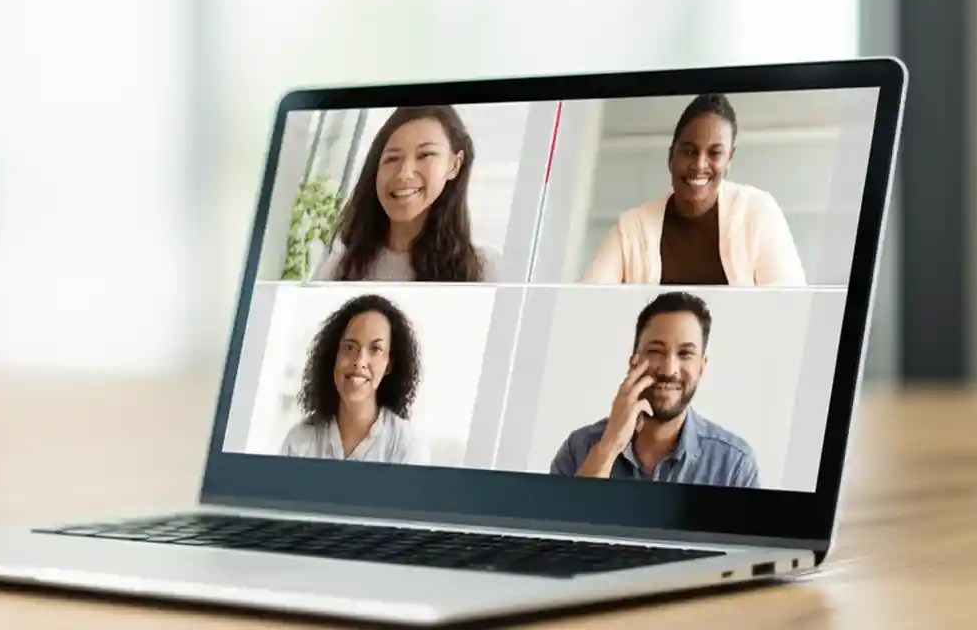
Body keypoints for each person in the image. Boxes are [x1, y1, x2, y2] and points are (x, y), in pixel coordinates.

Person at [580, 93, 806, 286]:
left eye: (715, 153)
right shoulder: (632, 228)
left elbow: (789, 308)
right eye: (689, 151)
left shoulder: (757, 211)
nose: (699, 165)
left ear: (729, 160)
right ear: (671, 156)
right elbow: (584, 304)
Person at [549, 291, 759, 487]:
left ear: (702, 366)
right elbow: (560, 525)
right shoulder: (579, 448)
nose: (669, 369)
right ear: (634, 360)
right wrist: (610, 445)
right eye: (656, 351)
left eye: (685, 354)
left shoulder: (734, 465)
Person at [311, 106, 501, 282]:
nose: (404, 173)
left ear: (454, 164)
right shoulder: (339, 267)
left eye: (425, 155)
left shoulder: (485, 270)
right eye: (392, 158)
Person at [280, 293, 431, 464]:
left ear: (389, 364)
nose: (359, 362)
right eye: (350, 347)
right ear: (334, 355)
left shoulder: (407, 446)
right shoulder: (300, 439)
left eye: (375, 349)